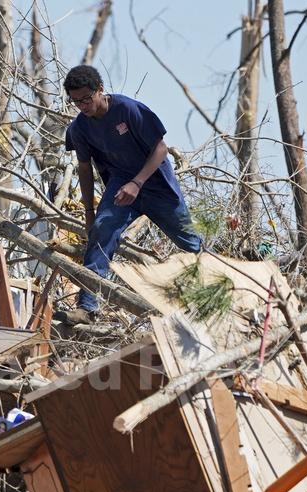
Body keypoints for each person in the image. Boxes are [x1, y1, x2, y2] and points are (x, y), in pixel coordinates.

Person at [56, 65, 202, 325]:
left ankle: (215, 293)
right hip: (121, 186)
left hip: (156, 185)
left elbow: (160, 149)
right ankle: (87, 307)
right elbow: (84, 168)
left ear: (100, 90)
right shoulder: (79, 129)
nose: (82, 106)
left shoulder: (128, 109)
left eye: (87, 99)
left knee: (191, 244)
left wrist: (138, 182)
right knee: (101, 231)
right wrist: (90, 212)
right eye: (76, 101)